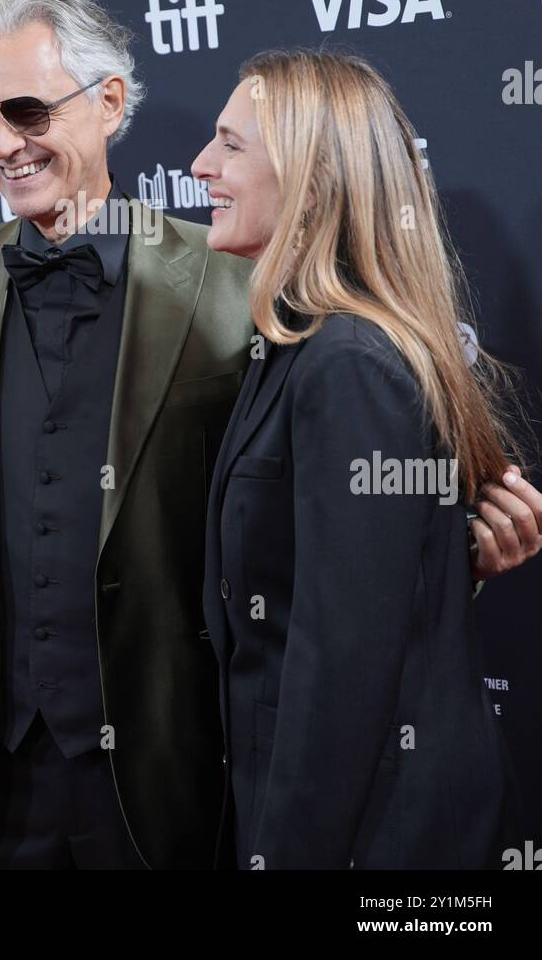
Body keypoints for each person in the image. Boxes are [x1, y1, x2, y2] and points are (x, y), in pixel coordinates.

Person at [0, 0, 540, 871]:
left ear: (107, 102)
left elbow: (327, 536)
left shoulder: (238, 281)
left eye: (26, 111)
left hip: (176, 781)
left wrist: (453, 547)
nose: (1, 144)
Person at [195, 48, 539, 869]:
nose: (201, 166)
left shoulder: (346, 364)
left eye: (231, 145)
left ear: (311, 183)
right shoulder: (299, 347)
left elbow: (340, 674)